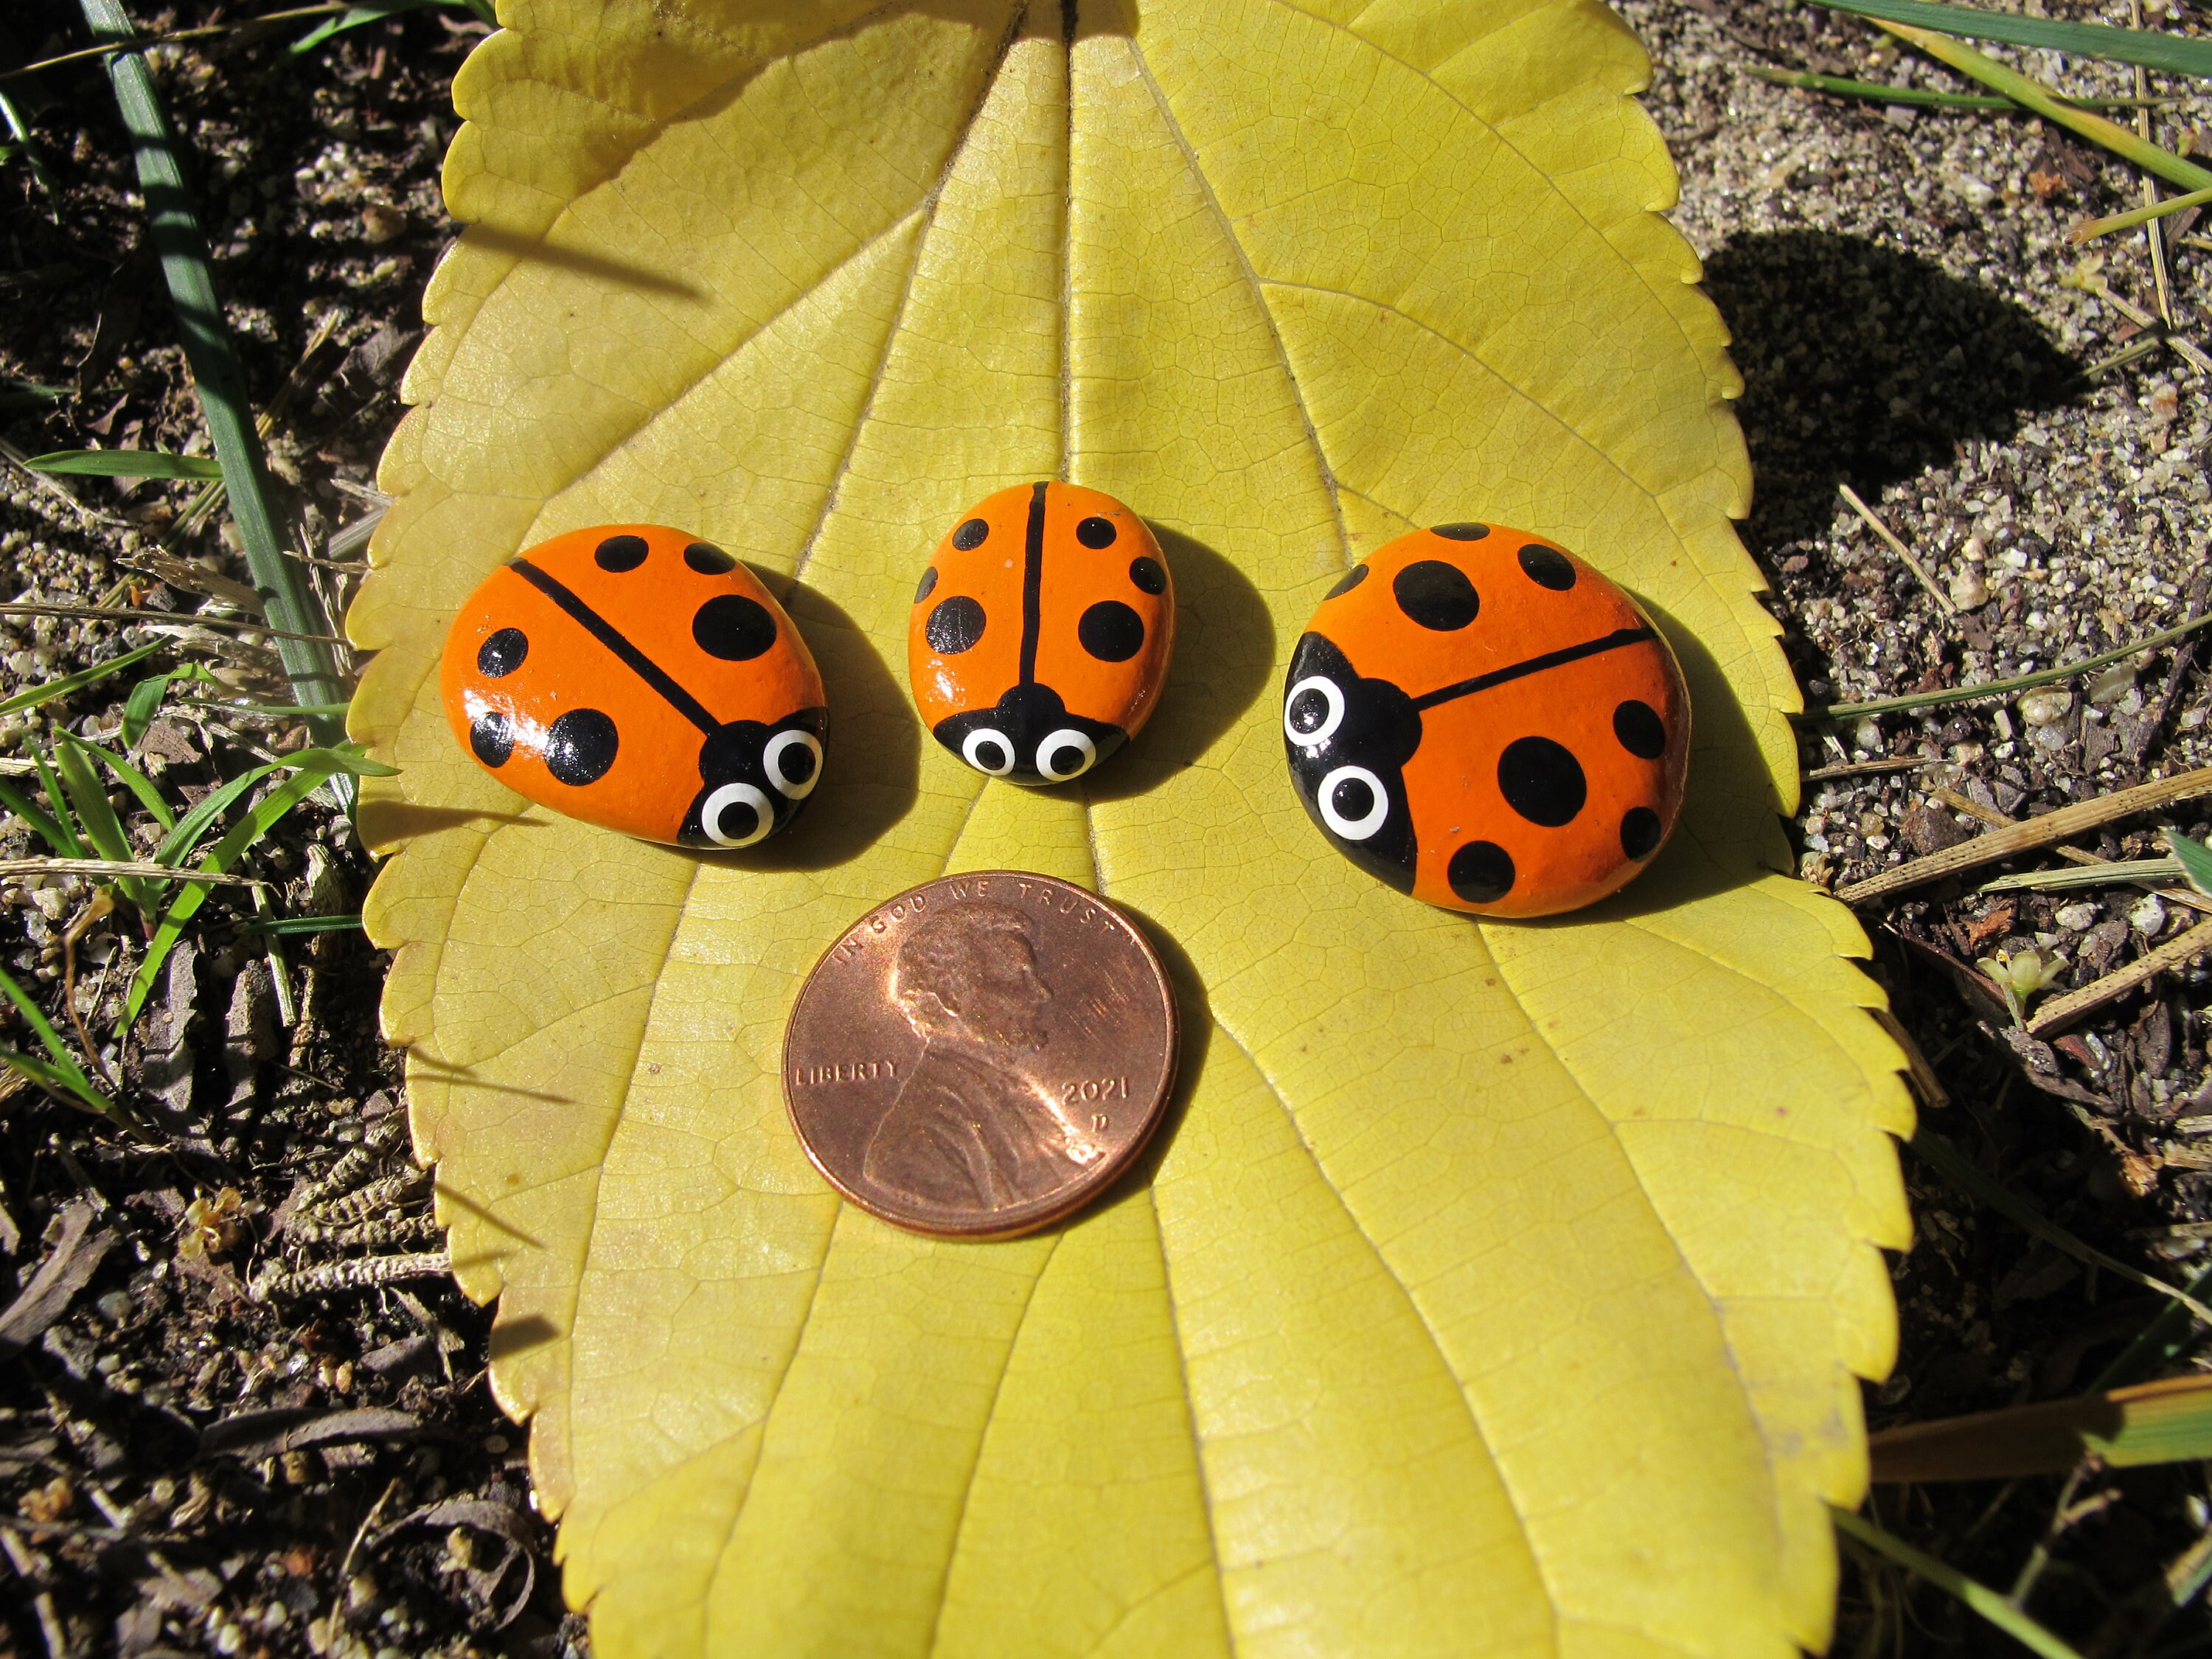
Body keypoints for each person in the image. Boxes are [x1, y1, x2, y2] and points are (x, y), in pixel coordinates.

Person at [863, 903, 1101, 1211]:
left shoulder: (1011, 1093)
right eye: (1018, 977)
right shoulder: (915, 1145)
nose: (1041, 992)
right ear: (951, 993)